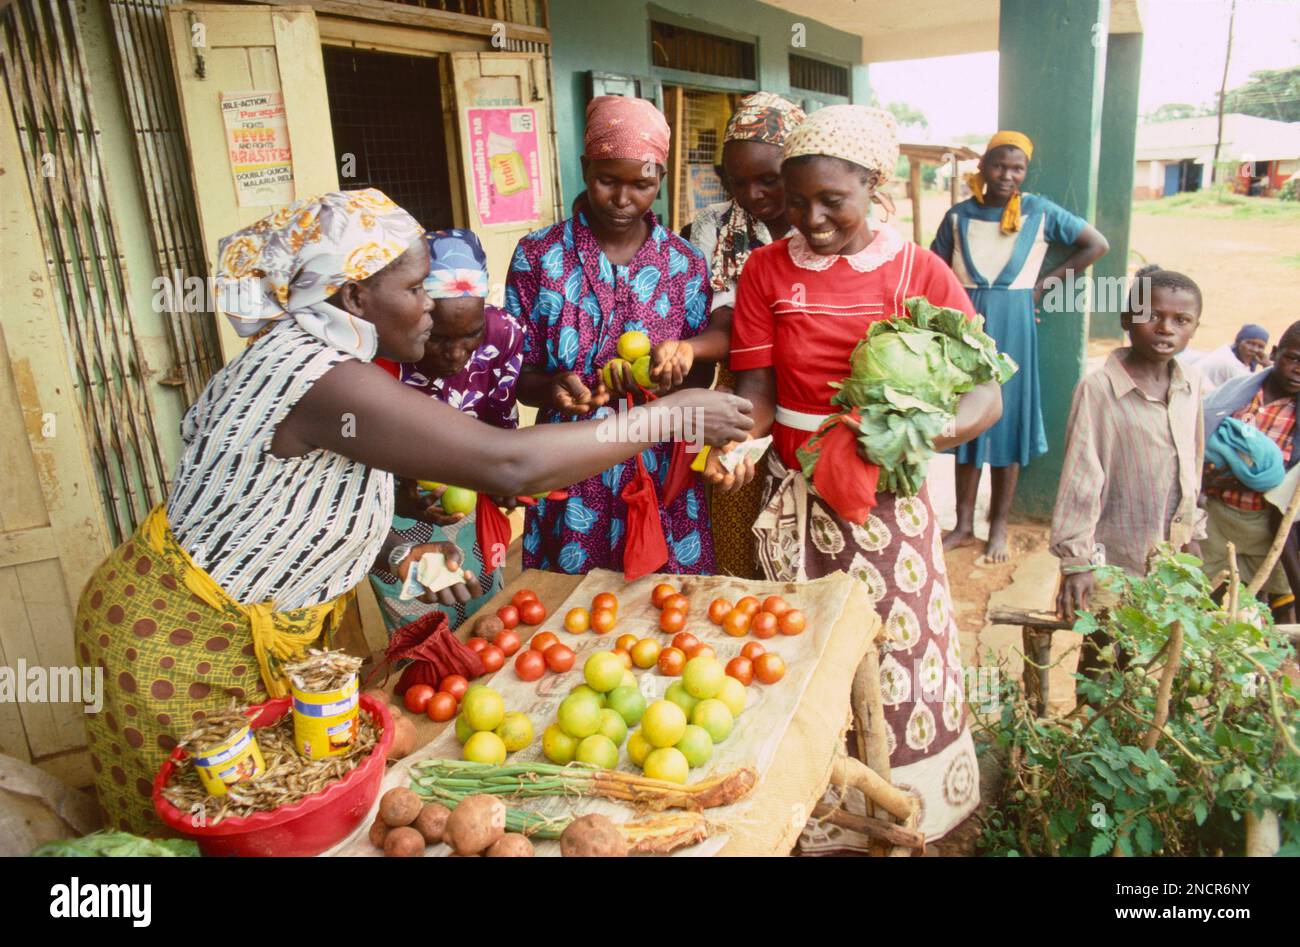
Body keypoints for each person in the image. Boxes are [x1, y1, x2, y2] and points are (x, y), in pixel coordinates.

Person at [74, 189, 753, 832]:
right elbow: (508, 460)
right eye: (413, 288)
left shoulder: (334, 364)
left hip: (248, 626)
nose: (429, 305)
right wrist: (677, 412)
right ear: (353, 295)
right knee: (209, 828)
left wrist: (396, 543)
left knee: (260, 808)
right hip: (181, 642)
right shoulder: (318, 375)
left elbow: (294, 489)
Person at [715, 105, 1004, 840]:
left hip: (888, 501)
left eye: (830, 201)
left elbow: (985, 391)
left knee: (900, 652)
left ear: (873, 188)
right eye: (795, 198)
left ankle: (909, 812)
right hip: (797, 501)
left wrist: (915, 430)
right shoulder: (765, 270)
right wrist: (737, 444)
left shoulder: (917, 270)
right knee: (804, 660)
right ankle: (821, 821)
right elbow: (756, 394)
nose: (808, 218)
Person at [507, 95, 725, 575]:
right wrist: (555, 388)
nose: (624, 199)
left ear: (660, 181)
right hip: (570, 461)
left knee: (665, 612)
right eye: (608, 180)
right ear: (585, 168)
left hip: (662, 459)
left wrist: (671, 379)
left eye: (642, 185)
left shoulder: (684, 263)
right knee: (568, 616)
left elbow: (701, 376)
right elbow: (517, 376)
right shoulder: (539, 256)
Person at [932, 131, 1109, 562]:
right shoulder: (958, 216)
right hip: (965, 320)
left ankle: (998, 528)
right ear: (983, 168)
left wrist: (1044, 285)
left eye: (1017, 168)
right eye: (999, 166)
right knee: (967, 420)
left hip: (1015, 323)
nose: (1007, 175)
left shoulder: (1039, 212)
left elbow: (1096, 244)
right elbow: (935, 266)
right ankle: (962, 525)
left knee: (1006, 424)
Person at [369, 228, 523, 633]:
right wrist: (399, 498)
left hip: (470, 495)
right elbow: (362, 453)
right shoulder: (382, 358)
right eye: (438, 337)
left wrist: (505, 477)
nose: (456, 354)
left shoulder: (503, 333)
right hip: (392, 510)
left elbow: (500, 418)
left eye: (470, 334)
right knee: (424, 628)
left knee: (485, 615)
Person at [687, 92, 805, 578]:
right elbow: (718, 318)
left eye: (768, 180)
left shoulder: (824, 224)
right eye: (739, 182)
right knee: (738, 508)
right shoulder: (714, 227)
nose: (753, 194)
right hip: (742, 391)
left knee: (804, 538)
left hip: (811, 396)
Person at [1052, 265, 1207, 622]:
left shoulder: (1191, 383)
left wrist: (1193, 533)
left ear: (1194, 329)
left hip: (1171, 561)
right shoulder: (1099, 389)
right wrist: (1077, 564)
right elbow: (1081, 479)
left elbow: (1193, 462)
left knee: (1155, 661)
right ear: (1126, 319)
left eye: (1181, 320)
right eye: (1151, 315)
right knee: (1103, 660)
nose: (1166, 328)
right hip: (1111, 562)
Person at [1200, 320, 1300, 618]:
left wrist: (1235, 481)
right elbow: (1203, 435)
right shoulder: (1236, 393)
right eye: (1293, 358)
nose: (1298, 369)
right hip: (1216, 518)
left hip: (1269, 525)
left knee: (1275, 604)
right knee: (1205, 596)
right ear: (1274, 353)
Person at [1181, 324, 1271, 392]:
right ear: (1238, 341)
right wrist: (1267, 365)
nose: (1254, 349)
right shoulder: (1229, 363)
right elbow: (1253, 390)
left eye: (1260, 346)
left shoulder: (1231, 350)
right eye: (1250, 343)